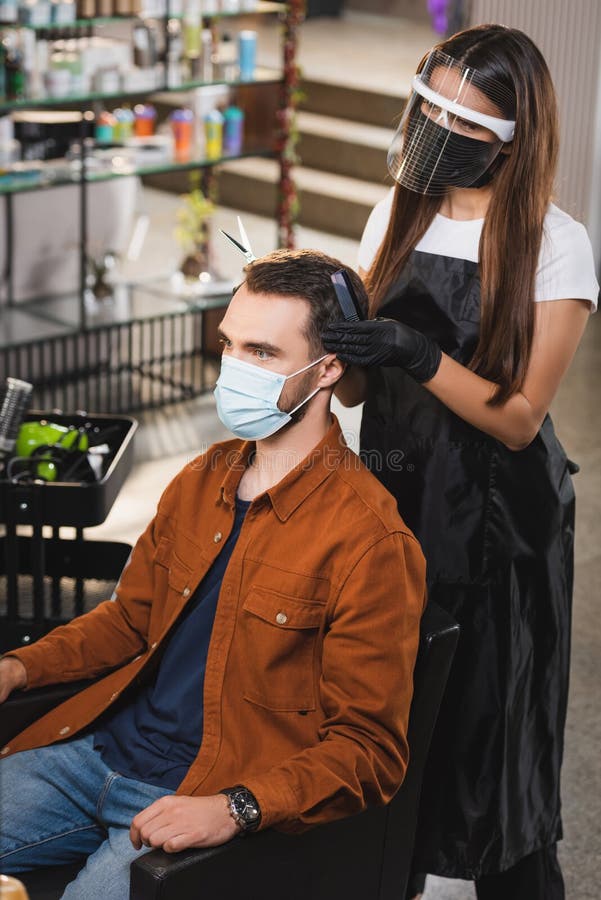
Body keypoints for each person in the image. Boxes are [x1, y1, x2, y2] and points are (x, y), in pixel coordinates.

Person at [0, 249, 426, 899]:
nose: (233, 368)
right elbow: (128, 621)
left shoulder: (370, 541)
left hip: (202, 789)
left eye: (261, 353)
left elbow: (368, 750)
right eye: (228, 345)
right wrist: (21, 667)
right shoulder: (205, 476)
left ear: (328, 369)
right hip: (94, 756)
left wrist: (237, 807)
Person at [322, 24, 599, 900]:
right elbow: (364, 399)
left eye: (467, 124)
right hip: (391, 512)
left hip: (494, 531)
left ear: (515, 138)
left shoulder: (554, 244)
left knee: (491, 768)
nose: (436, 128)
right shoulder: (393, 215)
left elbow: (518, 420)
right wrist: (340, 346)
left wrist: (413, 350)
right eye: (427, 105)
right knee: (386, 756)